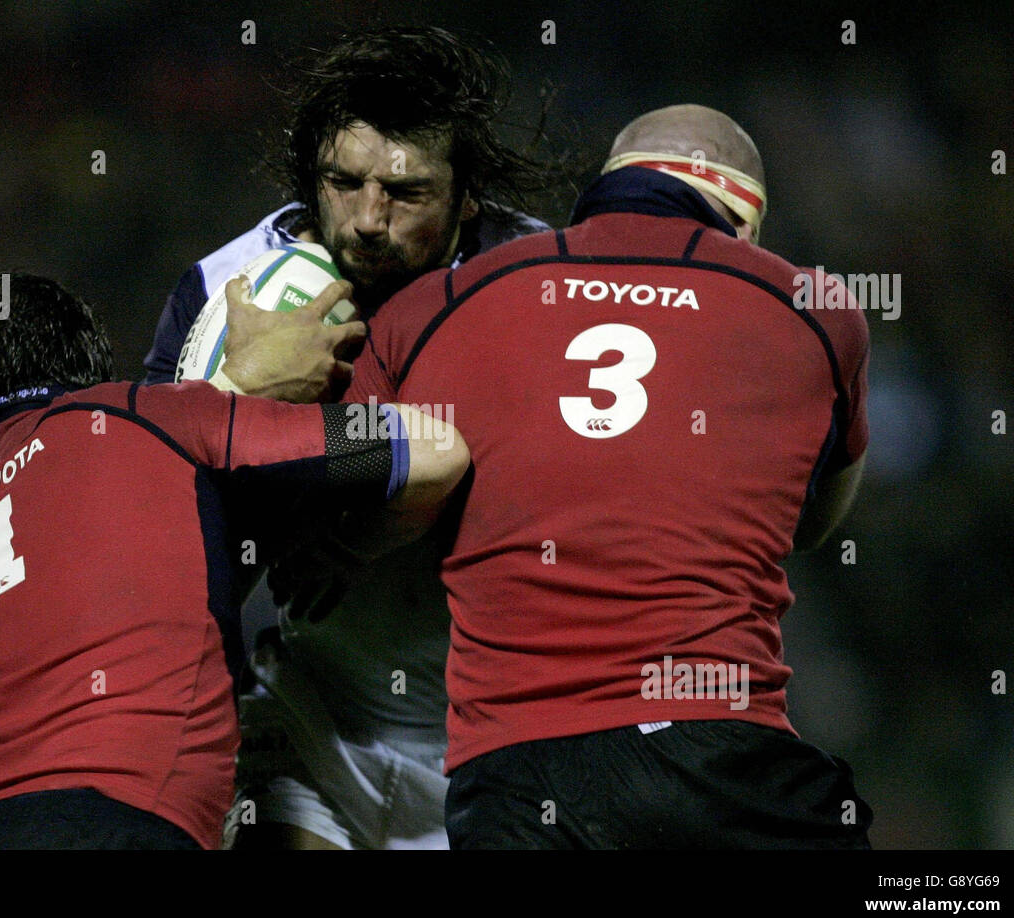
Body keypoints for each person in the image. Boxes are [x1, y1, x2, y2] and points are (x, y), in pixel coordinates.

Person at [342, 104, 874, 848]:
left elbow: (347, 514)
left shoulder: (428, 310)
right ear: (745, 222)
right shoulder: (818, 310)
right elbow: (813, 524)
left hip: (512, 784)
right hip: (722, 760)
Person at [142, 26, 550, 850]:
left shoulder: (537, 283)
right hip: (312, 715)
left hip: (499, 733)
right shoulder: (229, 287)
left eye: (406, 194)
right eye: (343, 182)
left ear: (468, 195)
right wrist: (244, 411)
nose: (368, 219)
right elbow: (155, 506)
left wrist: (358, 530)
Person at [0, 273, 467, 849]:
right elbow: (434, 451)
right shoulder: (150, 417)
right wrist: (343, 546)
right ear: (95, 365)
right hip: (120, 820)